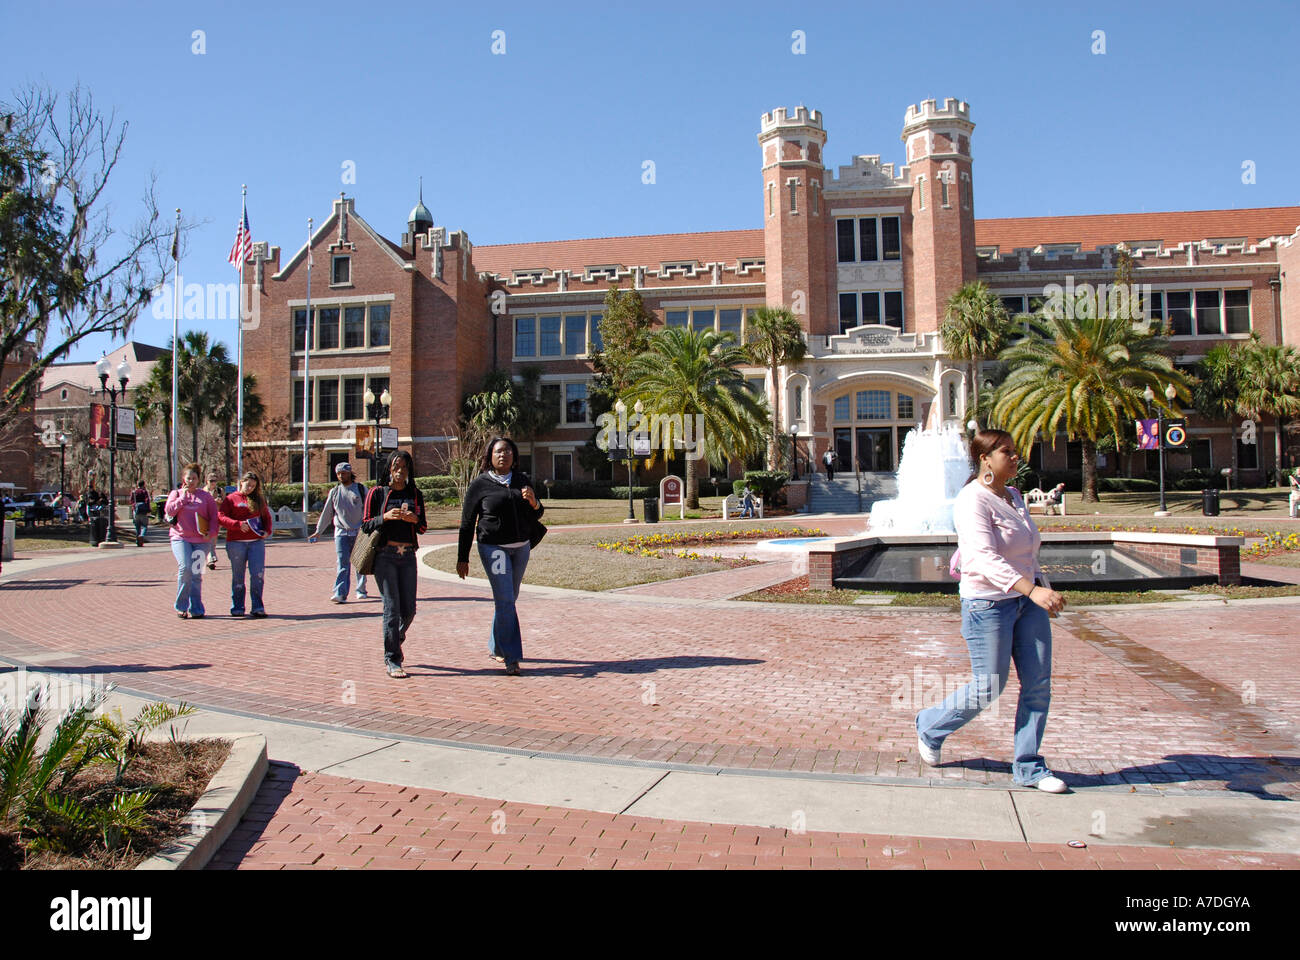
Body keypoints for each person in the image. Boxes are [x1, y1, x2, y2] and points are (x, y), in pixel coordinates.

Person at [915, 429, 1070, 794]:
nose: (1016, 457)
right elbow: (983, 558)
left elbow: (1026, 551)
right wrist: (1032, 591)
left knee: (1038, 684)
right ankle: (931, 725)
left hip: (1026, 602)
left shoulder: (1014, 496)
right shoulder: (972, 500)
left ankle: (1030, 766)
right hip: (987, 605)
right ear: (985, 458)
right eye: (1007, 452)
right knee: (988, 686)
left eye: (1015, 452)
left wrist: (1039, 587)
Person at [456, 437, 545, 677]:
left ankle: (496, 645)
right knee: (505, 599)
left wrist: (534, 502)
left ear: (514, 456)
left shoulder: (521, 480)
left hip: (521, 548)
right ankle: (512, 657)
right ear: (490, 456)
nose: (503, 455)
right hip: (493, 548)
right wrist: (462, 557)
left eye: (507, 451)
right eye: (498, 451)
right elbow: (466, 524)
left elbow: (538, 513)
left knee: (508, 599)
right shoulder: (480, 485)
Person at [361, 450, 428, 679]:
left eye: (405, 467)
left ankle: (394, 640)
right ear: (389, 468)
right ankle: (392, 659)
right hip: (385, 557)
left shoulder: (415, 494)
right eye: (396, 466)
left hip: (408, 556)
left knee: (409, 611)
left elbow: (423, 527)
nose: (400, 471)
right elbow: (366, 525)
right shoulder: (377, 493)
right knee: (392, 609)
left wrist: (414, 519)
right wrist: (386, 517)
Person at [164, 462, 219, 619]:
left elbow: (214, 517)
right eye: (189, 478)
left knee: (196, 574)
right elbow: (169, 510)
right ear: (184, 478)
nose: (191, 481)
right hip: (181, 538)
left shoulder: (205, 496)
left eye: (194, 478)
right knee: (185, 567)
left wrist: (212, 533)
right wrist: (183, 499)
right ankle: (181, 606)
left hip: (201, 540)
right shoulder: (176, 494)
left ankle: (196, 607)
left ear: (199, 480)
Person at [309, 461, 370, 602]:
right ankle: (340, 593)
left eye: (344, 473)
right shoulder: (334, 492)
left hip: (359, 532)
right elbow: (327, 513)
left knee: (360, 563)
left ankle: (361, 589)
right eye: (339, 473)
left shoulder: (360, 489)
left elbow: (369, 509)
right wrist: (318, 531)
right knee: (342, 563)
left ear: (350, 473)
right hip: (341, 533)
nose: (341, 476)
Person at [218, 471, 274, 618]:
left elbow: (266, 517)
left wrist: (267, 531)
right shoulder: (231, 499)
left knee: (257, 575)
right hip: (236, 542)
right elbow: (221, 517)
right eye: (247, 485)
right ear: (241, 482)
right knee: (238, 576)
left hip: (256, 542)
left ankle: (257, 606)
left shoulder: (259, 500)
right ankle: (237, 607)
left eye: (253, 486)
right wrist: (237, 524)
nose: (249, 488)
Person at [203, 472, 225, 570]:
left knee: (214, 538)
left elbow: (225, 503)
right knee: (209, 537)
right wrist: (213, 501)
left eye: (215, 480)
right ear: (206, 481)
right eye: (211, 480)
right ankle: (210, 558)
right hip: (206, 517)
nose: (213, 483)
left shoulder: (220, 491)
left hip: (217, 517)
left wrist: (221, 502)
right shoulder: (203, 491)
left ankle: (210, 556)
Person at [130, 480, 151, 546]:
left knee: (137, 527)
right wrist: (148, 509)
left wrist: (134, 508)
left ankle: (137, 541)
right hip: (143, 511)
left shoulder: (134, 492)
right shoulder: (144, 492)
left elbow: (131, 501)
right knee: (144, 526)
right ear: (143, 485)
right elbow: (147, 500)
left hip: (136, 511)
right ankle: (142, 536)